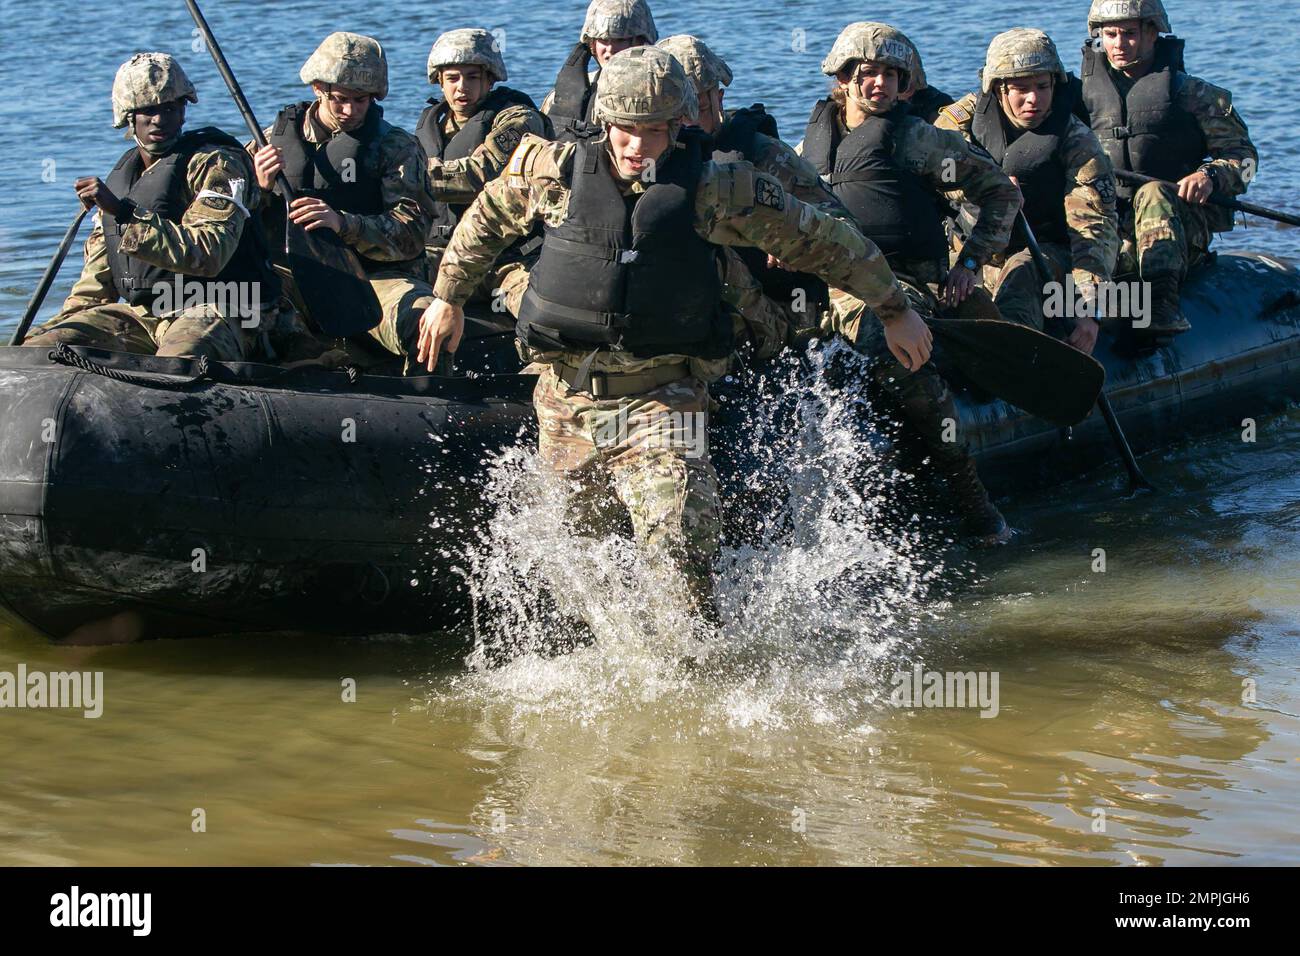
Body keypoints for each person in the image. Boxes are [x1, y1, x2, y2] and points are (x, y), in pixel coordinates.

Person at [418, 46, 927, 619]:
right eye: (627, 131)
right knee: (575, 565)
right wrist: (448, 298)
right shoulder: (550, 170)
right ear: (605, 122)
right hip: (565, 396)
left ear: (679, 125)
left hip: (664, 397)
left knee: (681, 550)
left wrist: (892, 309)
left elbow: (825, 240)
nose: (639, 147)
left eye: (655, 132)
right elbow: (485, 219)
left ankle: (700, 676)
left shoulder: (717, 190)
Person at [800, 22, 1023, 546]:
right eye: (866, 73)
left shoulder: (917, 139)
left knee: (892, 348)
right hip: (825, 277)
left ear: (904, 84)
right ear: (843, 77)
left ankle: (971, 495)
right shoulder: (810, 141)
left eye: (889, 75)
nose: (877, 84)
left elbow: (999, 194)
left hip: (900, 280)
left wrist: (970, 263)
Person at [25, 53, 279, 361]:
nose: (159, 119)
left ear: (184, 112)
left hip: (226, 305)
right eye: (148, 110)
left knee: (178, 363)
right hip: (147, 313)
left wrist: (123, 214)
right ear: (128, 117)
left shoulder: (217, 165)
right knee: (41, 349)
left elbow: (210, 253)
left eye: (170, 109)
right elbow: (98, 278)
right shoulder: (123, 178)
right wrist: (61, 327)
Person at [249, 32, 437, 372]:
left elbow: (413, 233)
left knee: (425, 321)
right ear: (318, 89)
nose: (350, 110)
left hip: (376, 279)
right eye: (340, 99)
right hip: (293, 280)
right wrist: (258, 191)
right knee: (236, 309)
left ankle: (434, 404)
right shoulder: (268, 143)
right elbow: (229, 228)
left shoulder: (396, 147)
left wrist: (345, 224)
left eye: (361, 100)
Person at [658, 33, 849, 357]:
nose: (687, 123)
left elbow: (842, 224)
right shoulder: (651, 159)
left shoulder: (764, 155)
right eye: (676, 114)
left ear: (718, 99)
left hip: (776, 312)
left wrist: (797, 241)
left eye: (698, 108)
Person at [1077, 0, 1257, 334]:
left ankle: (1162, 306)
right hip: (1109, 223)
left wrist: (1211, 176)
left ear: (1152, 33)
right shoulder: (1076, 96)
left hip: (1177, 222)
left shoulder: (1193, 93)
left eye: (1129, 33)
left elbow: (1244, 159)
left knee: (1154, 192)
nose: (1119, 44)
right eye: (1111, 34)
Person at [936, 28, 1118, 354]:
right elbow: (937, 172)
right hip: (970, 252)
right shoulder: (958, 124)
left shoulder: (1076, 141)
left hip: (1043, 252)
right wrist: (985, 185)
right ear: (998, 89)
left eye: (1042, 87)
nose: (1033, 99)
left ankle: (1015, 359)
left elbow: (1093, 227)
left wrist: (1090, 309)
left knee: (1020, 276)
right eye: (1021, 88)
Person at [416, 28, 550, 319]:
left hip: (510, 260)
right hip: (444, 255)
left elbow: (479, 174)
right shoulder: (432, 124)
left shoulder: (519, 119)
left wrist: (410, 177)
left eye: (472, 77)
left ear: (490, 78)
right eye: (452, 78)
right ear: (439, 81)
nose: (461, 87)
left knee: (542, 315)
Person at [542, 0, 658, 141]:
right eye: (603, 40)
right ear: (592, 43)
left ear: (640, 42)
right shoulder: (560, 96)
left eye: (620, 40)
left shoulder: (659, 91)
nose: (610, 49)